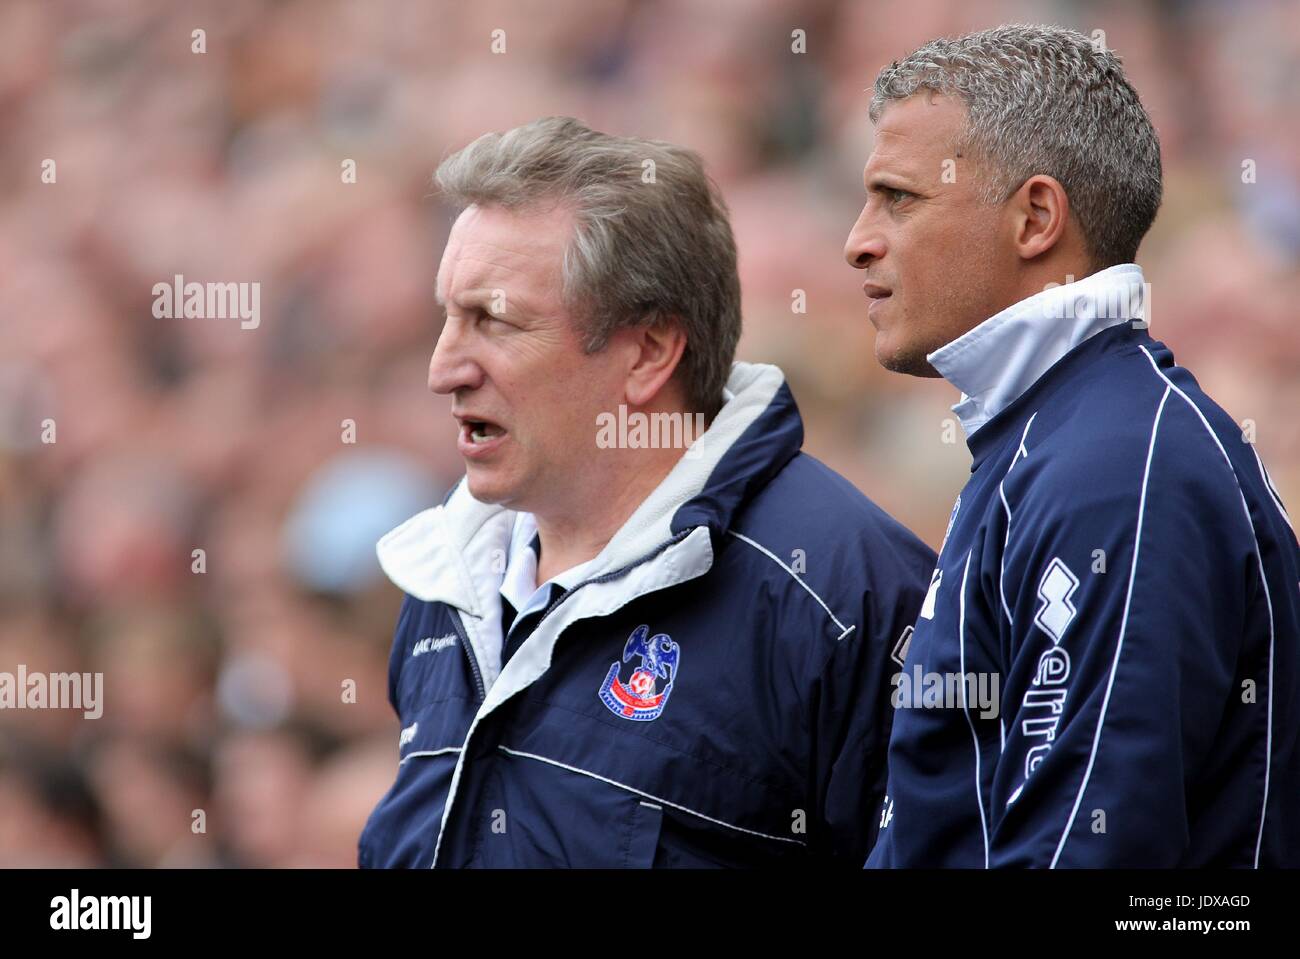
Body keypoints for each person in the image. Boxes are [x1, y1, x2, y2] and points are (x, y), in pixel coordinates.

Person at [359, 116, 935, 868]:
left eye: (492, 320)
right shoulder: (448, 580)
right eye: (447, 316)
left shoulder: (840, 595)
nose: (444, 368)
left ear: (650, 352)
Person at [845, 24, 1300, 868]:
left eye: (897, 198)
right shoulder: (1059, 437)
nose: (858, 240)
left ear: (1036, 218)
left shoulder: (1121, 468)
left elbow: (1087, 854)